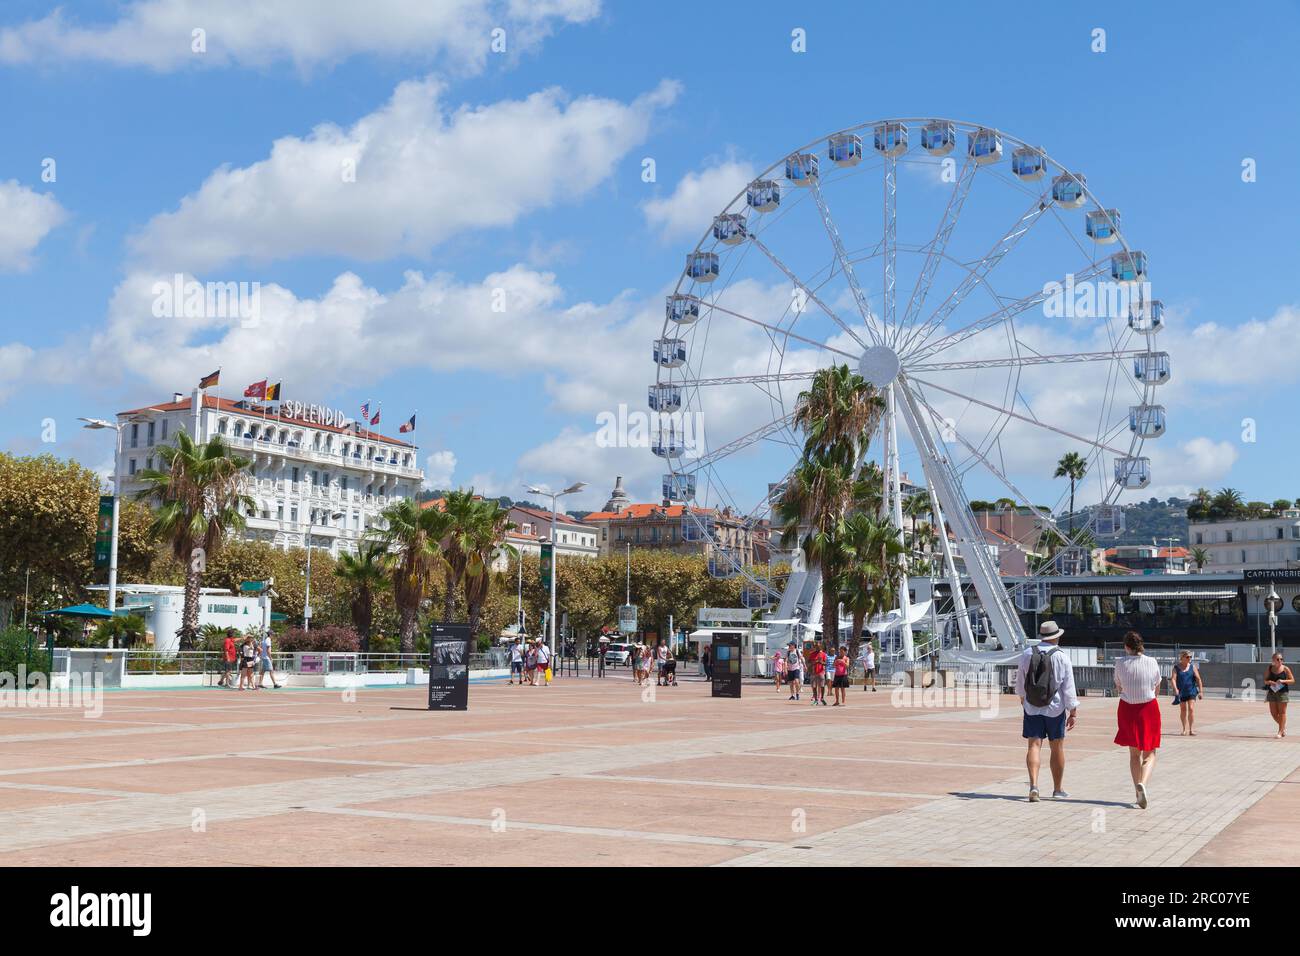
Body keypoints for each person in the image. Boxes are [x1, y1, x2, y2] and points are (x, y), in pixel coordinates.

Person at [1014, 620, 1079, 802]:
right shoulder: (1062, 657)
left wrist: (1023, 700)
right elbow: (1069, 688)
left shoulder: (1027, 654)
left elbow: (1020, 682)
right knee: (1056, 747)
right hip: (1055, 708)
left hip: (1032, 707)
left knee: (1034, 745)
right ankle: (1057, 789)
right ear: (1056, 637)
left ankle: (1034, 786)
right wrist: (1072, 711)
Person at [1114, 630, 1162, 809]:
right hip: (1148, 708)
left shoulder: (1120, 663)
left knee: (1134, 753)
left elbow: (1118, 686)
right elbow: (1157, 686)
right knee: (1150, 752)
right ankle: (1143, 783)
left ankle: (1137, 790)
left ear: (1127, 647)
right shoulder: (1152, 662)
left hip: (1127, 708)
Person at [1171, 650, 1202, 736]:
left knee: (1191, 708)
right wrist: (1175, 689)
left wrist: (1201, 691)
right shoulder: (1176, 668)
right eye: (1187, 657)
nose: (1189, 658)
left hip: (1191, 691)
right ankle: (1184, 729)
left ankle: (1191, 729)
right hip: (1181, 692)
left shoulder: (1193, 667)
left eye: (1190, 657)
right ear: (1182, 658)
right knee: (1183, 709)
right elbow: (1173, 679)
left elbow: (1198, 679)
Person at [1264, 651, 1294, 739]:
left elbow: (1292, 680)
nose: (1280, 660)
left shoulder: (1285, 668)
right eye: (1278, 659)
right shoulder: (1270, 668)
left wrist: (1283, 681)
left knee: (1282, 713)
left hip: (1283, 693)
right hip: (1272, 692)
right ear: (1273, 660)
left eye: (1281, 659)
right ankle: (1283, 727)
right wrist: (1269, 682)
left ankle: (1280, 731)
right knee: (1273, 713)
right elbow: (1265, 680)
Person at [809, 641, 828, 706]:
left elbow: (826, 663)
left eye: (819, 646)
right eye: (816, 646)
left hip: (821, 672)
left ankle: (822, 698)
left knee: (822, 686)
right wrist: (815, 662)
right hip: (814, 673)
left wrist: (821, 662)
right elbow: (808, 662)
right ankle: (816, 700)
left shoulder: (823, 654)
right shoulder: (812, 654)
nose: (817, 647)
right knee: (814, 686)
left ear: (821, 646)